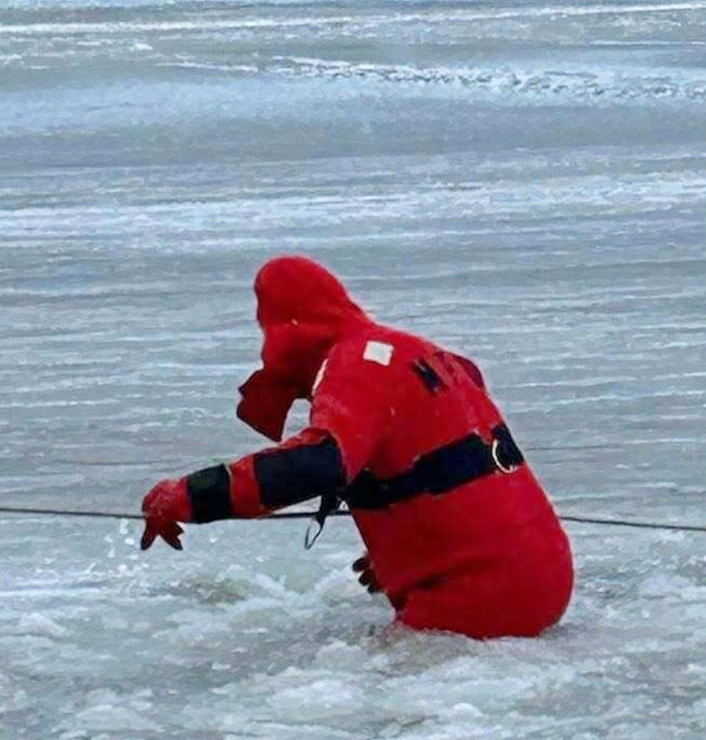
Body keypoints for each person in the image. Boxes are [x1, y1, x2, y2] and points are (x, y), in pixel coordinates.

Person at [139, 255, 573, 639]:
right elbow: (446, 458)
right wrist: (410, 546)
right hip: (544, 575)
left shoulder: (355, 364)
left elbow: (316, 465)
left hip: (478, 595)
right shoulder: (419, 352)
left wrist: (188, 496)